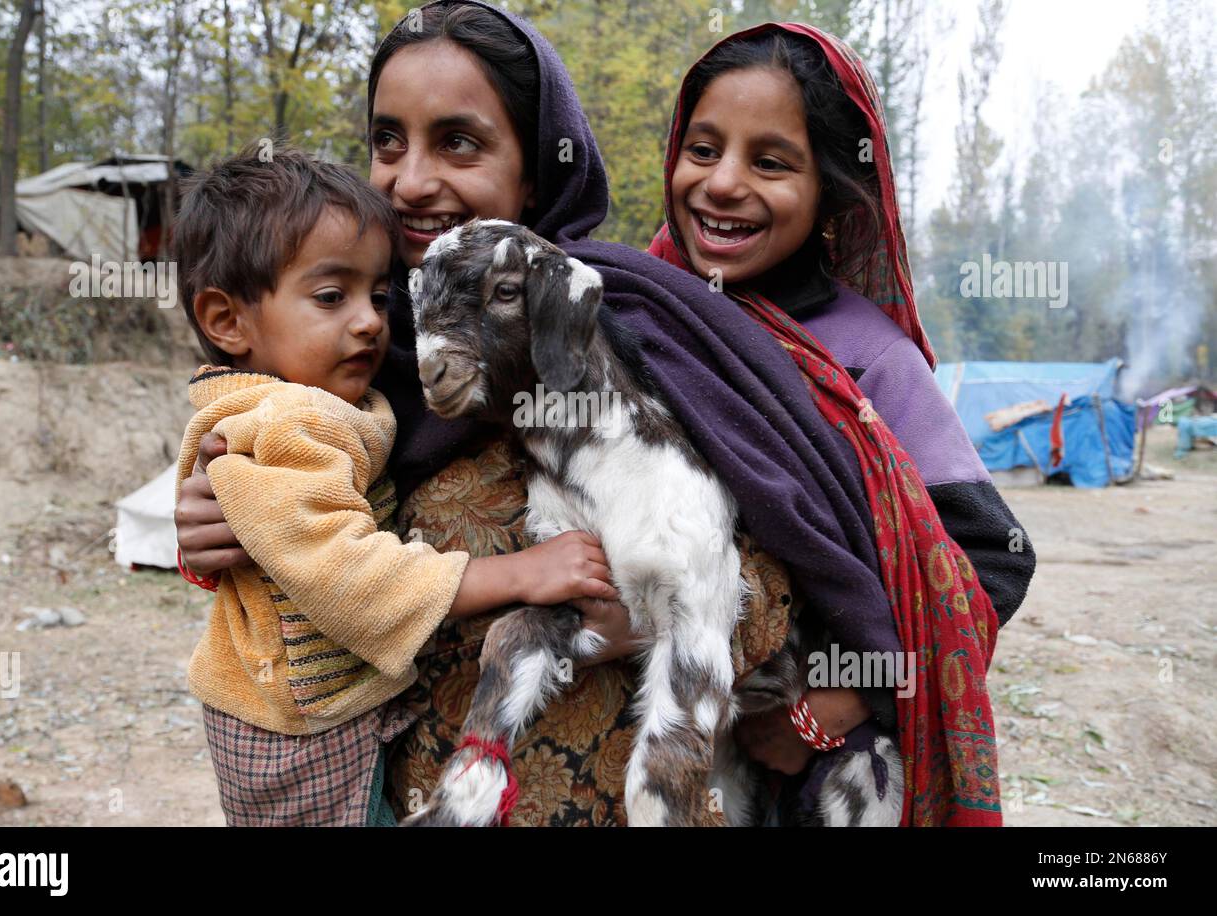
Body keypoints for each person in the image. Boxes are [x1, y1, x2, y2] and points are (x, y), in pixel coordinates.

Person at [177, 1, 1015, 825]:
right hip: (413, 787)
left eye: (458, 141)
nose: (411, 179)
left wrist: (759, 664)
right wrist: (222, 514)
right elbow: (297, 496)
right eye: (387, 140)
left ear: (540, 164)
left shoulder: (643, 325)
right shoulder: (361, 342)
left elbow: (832, 562)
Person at [647, 22, 1036, 819]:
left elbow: (989, 561)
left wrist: (839, 705)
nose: (721, 184)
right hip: (646, 748)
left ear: (830, 190)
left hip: (804, 780)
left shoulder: (869, 362)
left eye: (770, 162)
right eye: (703, 148)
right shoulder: (634, 311)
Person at [170, 145, 617, 825]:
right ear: (227, 322)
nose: (373, 322)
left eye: (380, 296)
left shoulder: (307, 387)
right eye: (332, 297)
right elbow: (351, 579)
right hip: (304, 738)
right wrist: (521, 574)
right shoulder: (292, 416)